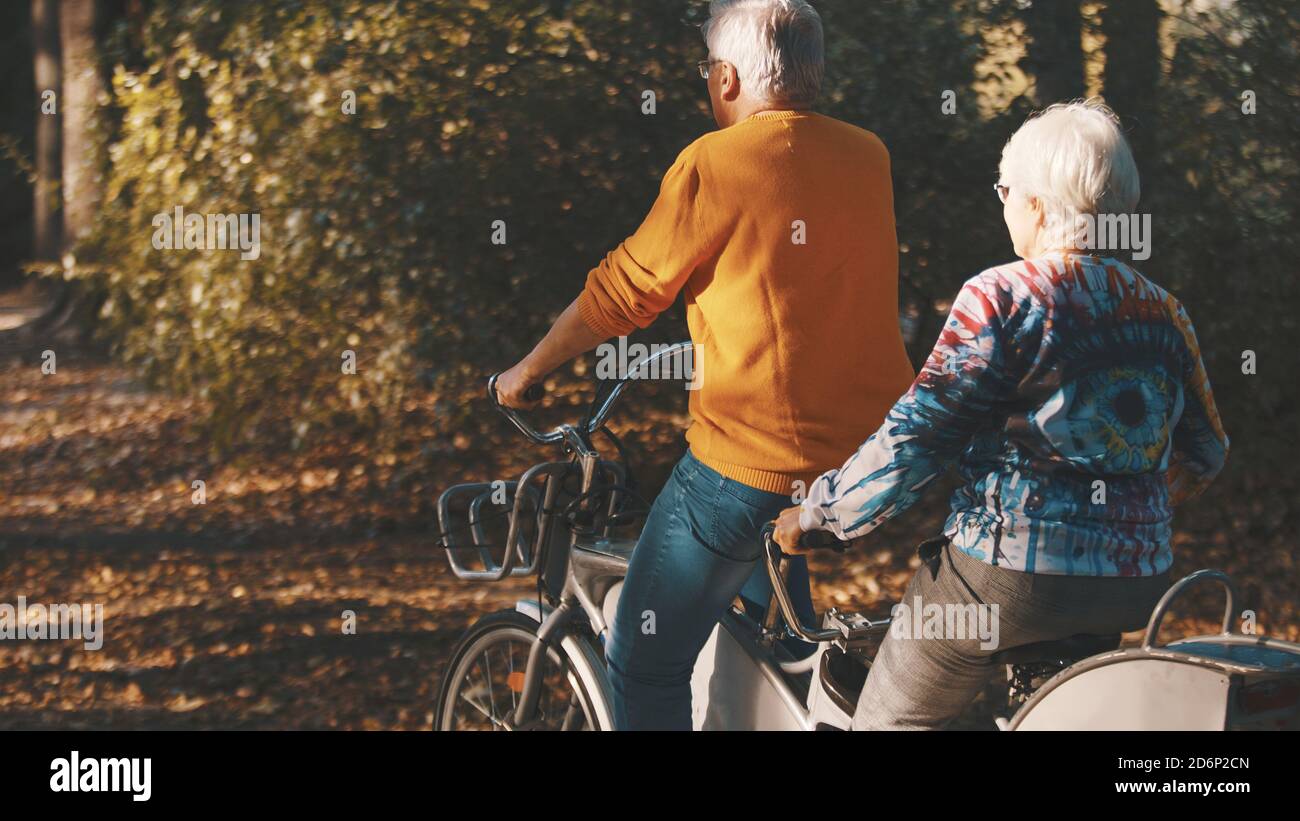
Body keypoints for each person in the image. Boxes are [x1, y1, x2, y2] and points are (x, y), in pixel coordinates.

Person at [495, 0, 915, 730]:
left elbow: (623, 292)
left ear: (725, 78)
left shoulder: (713, 163)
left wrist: (526, 371)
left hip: (752, 467)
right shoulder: (868, 154)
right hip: (863, 459)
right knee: (776, 645)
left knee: (643, 658)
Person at [773, 99, 1230, 730]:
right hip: (1131, 582)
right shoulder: (1164, 311)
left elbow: (918, 437)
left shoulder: (1001, 296)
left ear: (1038, 203)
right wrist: (1126, 521)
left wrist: (820, 515)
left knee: (887, 723)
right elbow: (1207, 452)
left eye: (1006, 190)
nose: (1003, 204)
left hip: (1004, 575)